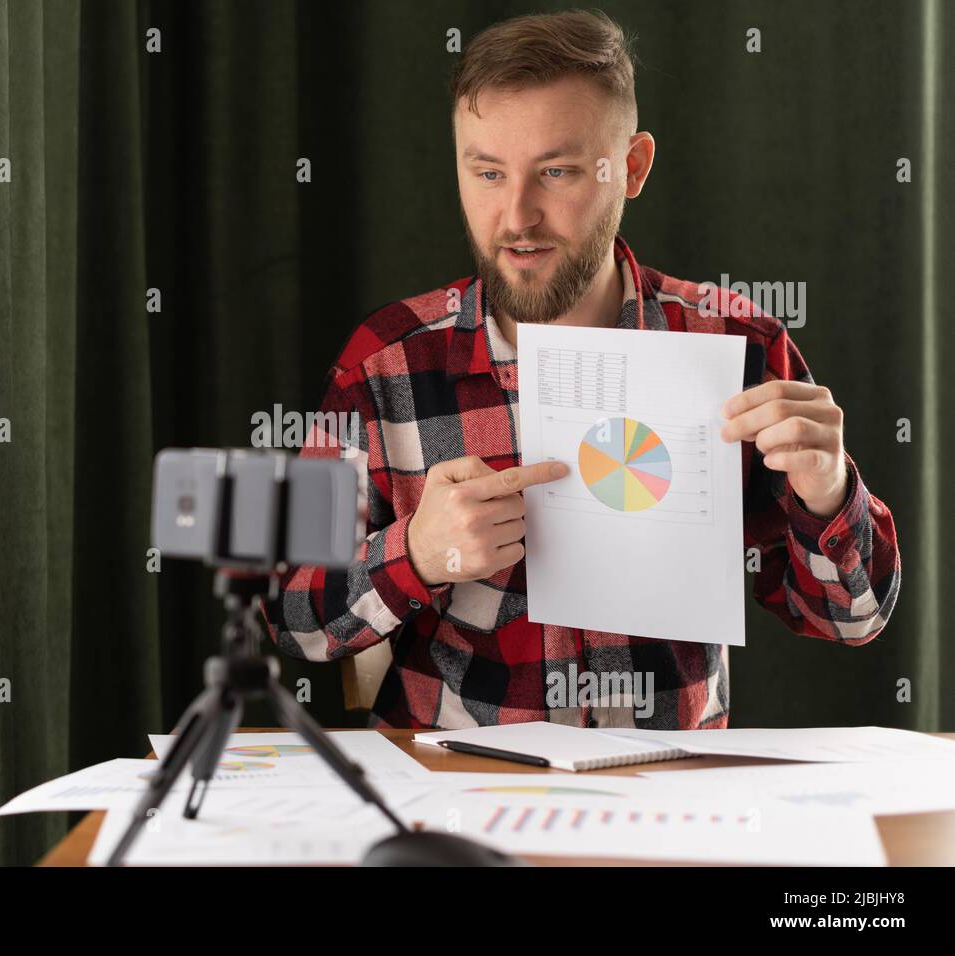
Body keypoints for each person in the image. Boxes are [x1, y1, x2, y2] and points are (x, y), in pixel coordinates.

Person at [260, 10, 900, 730]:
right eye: (488, 172)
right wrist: (413, 553)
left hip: (669, 808)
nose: (516, 216)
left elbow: (856, 621)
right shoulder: (388, 362)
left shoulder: (735, 344)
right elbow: (292, 619)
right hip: (454, 805)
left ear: (631, 167)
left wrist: (828, 492)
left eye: (556, 172)